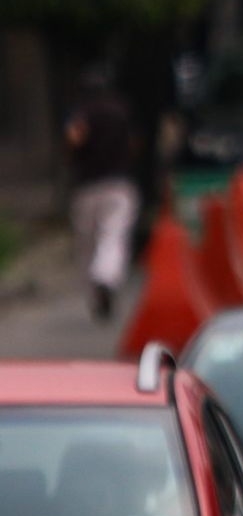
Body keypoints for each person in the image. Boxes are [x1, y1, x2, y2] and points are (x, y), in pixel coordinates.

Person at [66, 69, 139, 324]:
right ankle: (105, 278)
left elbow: (74, 140)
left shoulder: (81, 113)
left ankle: (95, 291)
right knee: (113, 235)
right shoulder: (121, 111)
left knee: (87, 243)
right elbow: (133, 144)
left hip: (86, 187)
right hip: (118, 185)